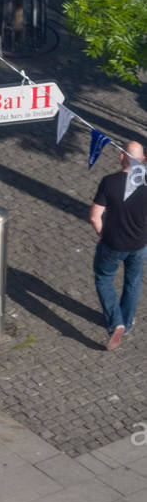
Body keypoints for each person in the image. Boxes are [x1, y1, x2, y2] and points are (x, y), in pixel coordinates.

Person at [89, 140, 147, 350]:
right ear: (143, 160)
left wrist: (104, 235)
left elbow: (95, 217)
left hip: (113, 243)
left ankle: (116, 322)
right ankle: (128, 321)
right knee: (133, 282)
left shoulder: (109, 182)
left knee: (104, 278)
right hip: (140, 244)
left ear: (122, 157)